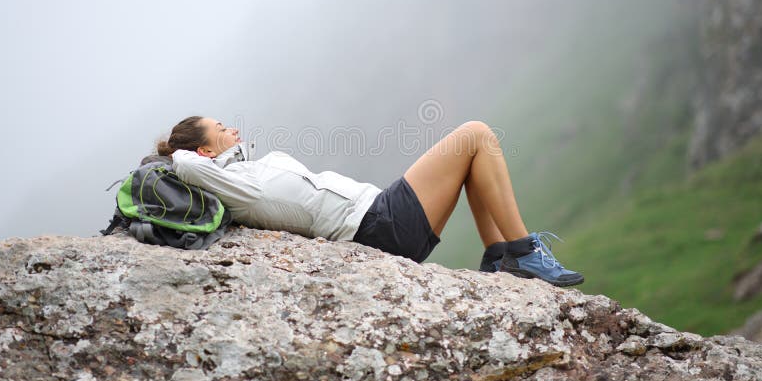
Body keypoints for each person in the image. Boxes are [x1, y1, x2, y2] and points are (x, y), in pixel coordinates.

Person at [157, 116, 584, 287]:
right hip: (379, 226)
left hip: (381, 214)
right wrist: (175, 154)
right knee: (475, 136)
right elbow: (188, 168)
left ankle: (499, 255)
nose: (231, 126)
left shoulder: (247, 172)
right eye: (219, 127)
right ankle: (524, 252)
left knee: (471, 156)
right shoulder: (234, 183)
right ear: (204, 152)